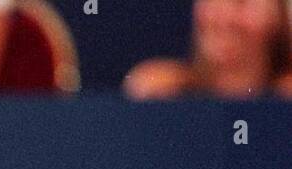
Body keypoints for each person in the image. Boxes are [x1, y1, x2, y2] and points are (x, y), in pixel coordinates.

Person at [125, 0, 292, 99]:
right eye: (212, 1)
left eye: (241, 2)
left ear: (277, 14)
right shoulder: (160, 92)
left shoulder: (285, 99)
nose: (222, 18)